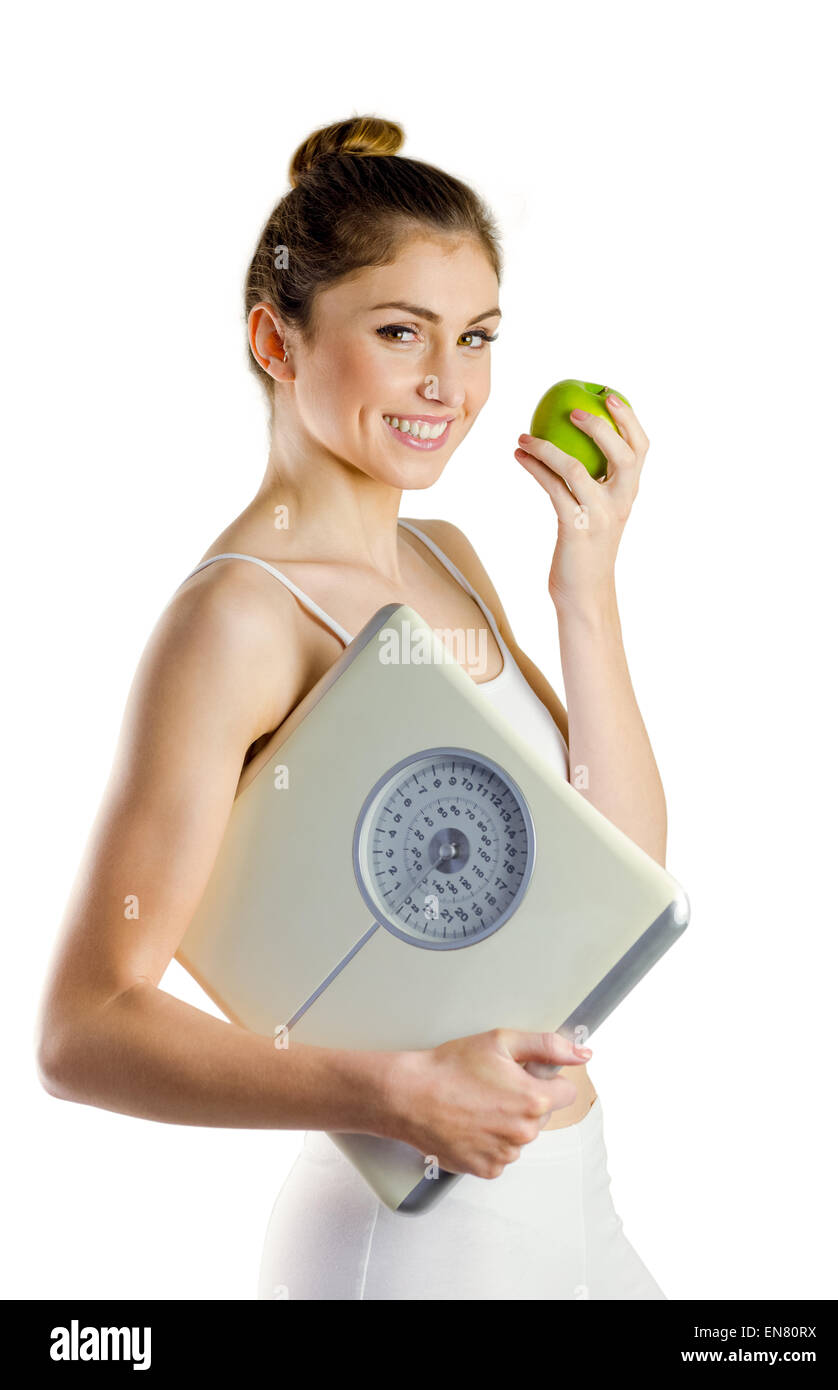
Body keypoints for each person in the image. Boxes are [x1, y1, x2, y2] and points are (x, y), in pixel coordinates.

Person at [36, 114, 667, 1300]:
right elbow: (84, 1028)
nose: (450, 385)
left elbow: (621, 879)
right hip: (424, 1236)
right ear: (277, 341)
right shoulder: (239, 618)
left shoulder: (449, 557)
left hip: (571, 1189)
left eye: (475, 337)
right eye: (399, 333)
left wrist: (584, 583)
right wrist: (397, 1092)